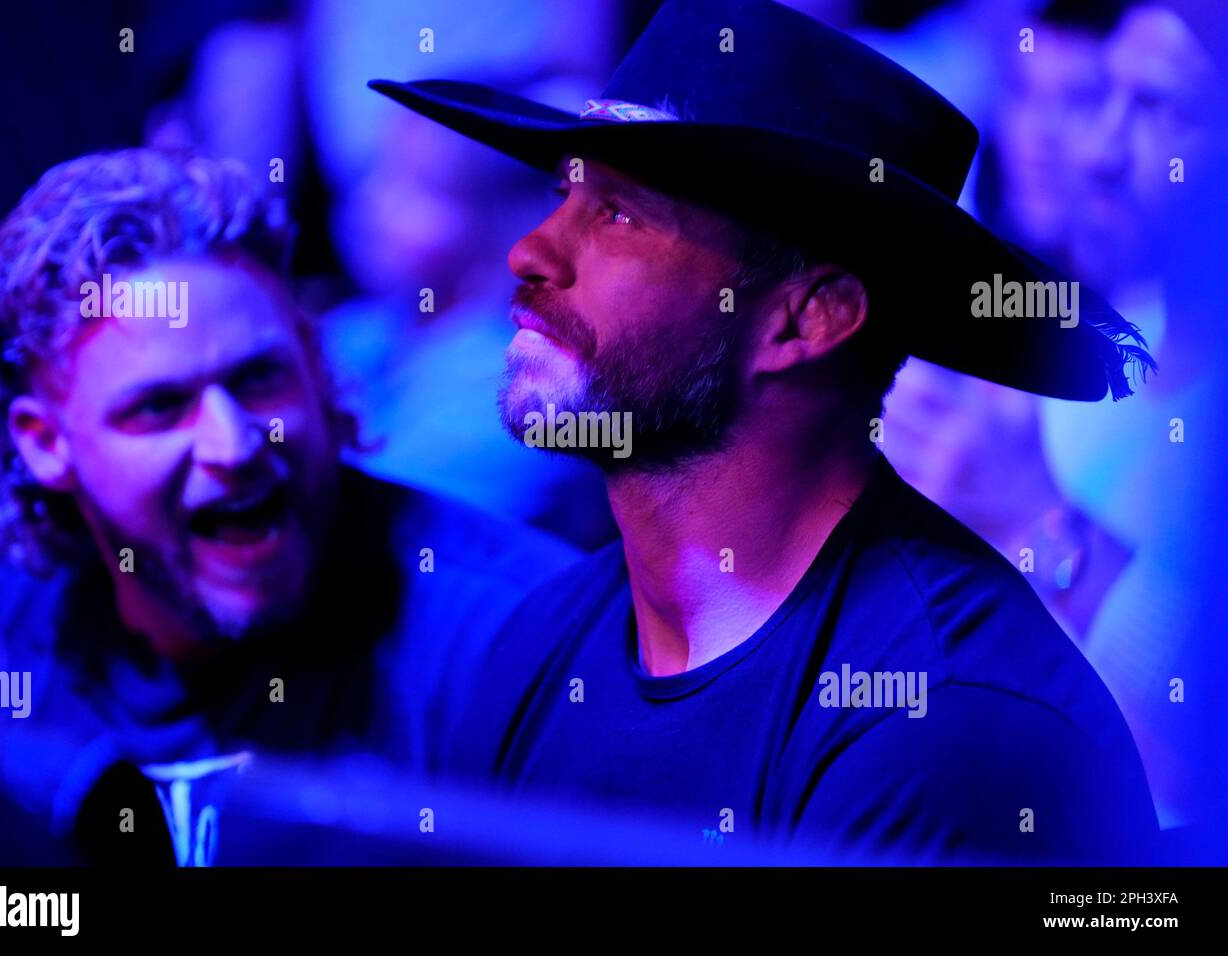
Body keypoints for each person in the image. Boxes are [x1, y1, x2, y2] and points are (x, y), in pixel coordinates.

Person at [369, 0, 1159, 864]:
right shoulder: (540, 643)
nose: (532, 251)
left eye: (620, 215)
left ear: (808, 317)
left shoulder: (944, 716)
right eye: (566, 193)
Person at [0, 148, 576, 864]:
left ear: (313, 359)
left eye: (260, 378)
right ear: (46, 442)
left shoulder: (517, 641)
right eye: (159, 407)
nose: (233, 445)